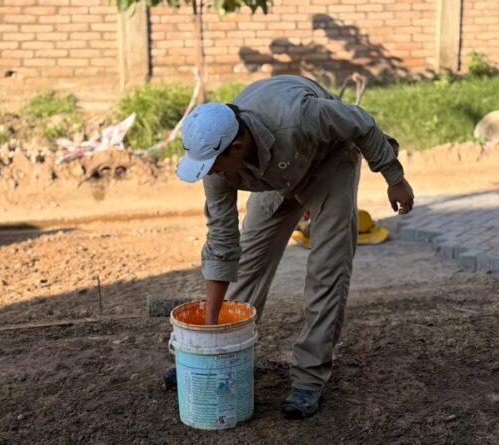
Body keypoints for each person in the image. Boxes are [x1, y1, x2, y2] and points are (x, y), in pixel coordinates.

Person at [173, 75, 414, 419]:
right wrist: (210, 337)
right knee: (250, 263)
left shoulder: (300, 117)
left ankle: (309, 379)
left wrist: (394, 177)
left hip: (328, 161)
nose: (210, 174)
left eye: (213, 166)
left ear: (237, 148)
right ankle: (226, 354)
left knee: (326, 271)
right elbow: (222, 244)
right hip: (275, 170)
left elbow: (360, 122)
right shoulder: (216, 168)